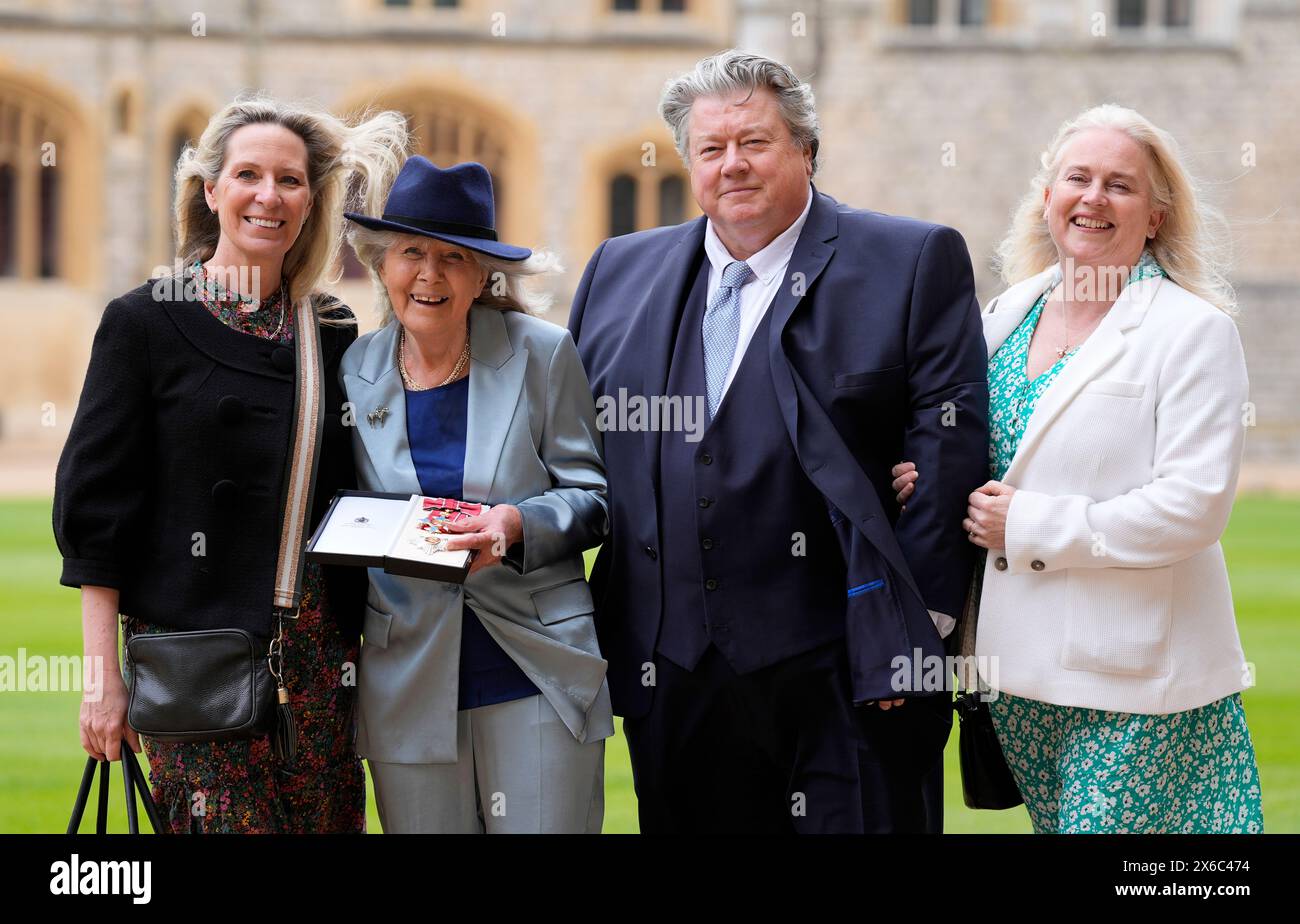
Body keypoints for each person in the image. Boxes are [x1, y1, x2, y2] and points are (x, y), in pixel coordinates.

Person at [567, 49, 989, 833]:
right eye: (711, 148)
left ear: (805, 148)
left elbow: (948, 449)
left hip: (848, 667)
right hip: (673, 669)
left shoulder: (910, 258)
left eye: (755, 142)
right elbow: (569, 451)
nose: (733, 165)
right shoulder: (617, 271)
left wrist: (912, 636)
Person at [891, 104, 1263, 833]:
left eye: (1120, 186)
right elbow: (980, 451)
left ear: (1156, 216)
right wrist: (928, 480)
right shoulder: (1004, 315)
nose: (1093, 198)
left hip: (1135, 679)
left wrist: (1026, 522)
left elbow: (1194, 505)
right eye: (1078, 179)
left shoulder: (1193, 331)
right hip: (1016, 676)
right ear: (1048, 197)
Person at [54, 94, 408, 833]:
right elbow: (97, 521)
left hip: (320, 669)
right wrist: (101, 682)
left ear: (311, 201)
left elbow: (370, 484)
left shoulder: (333, 331)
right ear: (212, 191)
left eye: (291, 180)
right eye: (249, 174)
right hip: (195, 664)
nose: (269, 196)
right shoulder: (143, 323)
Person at [342, 157, 612, 834]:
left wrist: (516, 524)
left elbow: (592, 496)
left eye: (451, 257)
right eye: (411, 253)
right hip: (406, 674)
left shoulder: (542, 354)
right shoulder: (352, 370)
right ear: (381, 264)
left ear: (482, 273)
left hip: (536, 666)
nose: (429, 275)